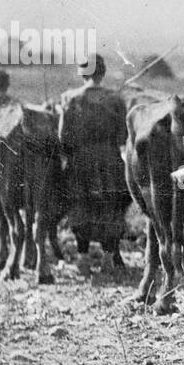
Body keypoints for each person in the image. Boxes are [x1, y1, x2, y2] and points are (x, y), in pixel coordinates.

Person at [58, 54, 129, 274]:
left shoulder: (70, 98)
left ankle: (83, 259)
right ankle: (108, 259)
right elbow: (123, 135)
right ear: (103, 72)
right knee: (112, 208)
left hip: (81, 160)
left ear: (82, 73)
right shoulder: (116, 99)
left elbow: (63, 136)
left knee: (80, 207)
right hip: (110, 160)